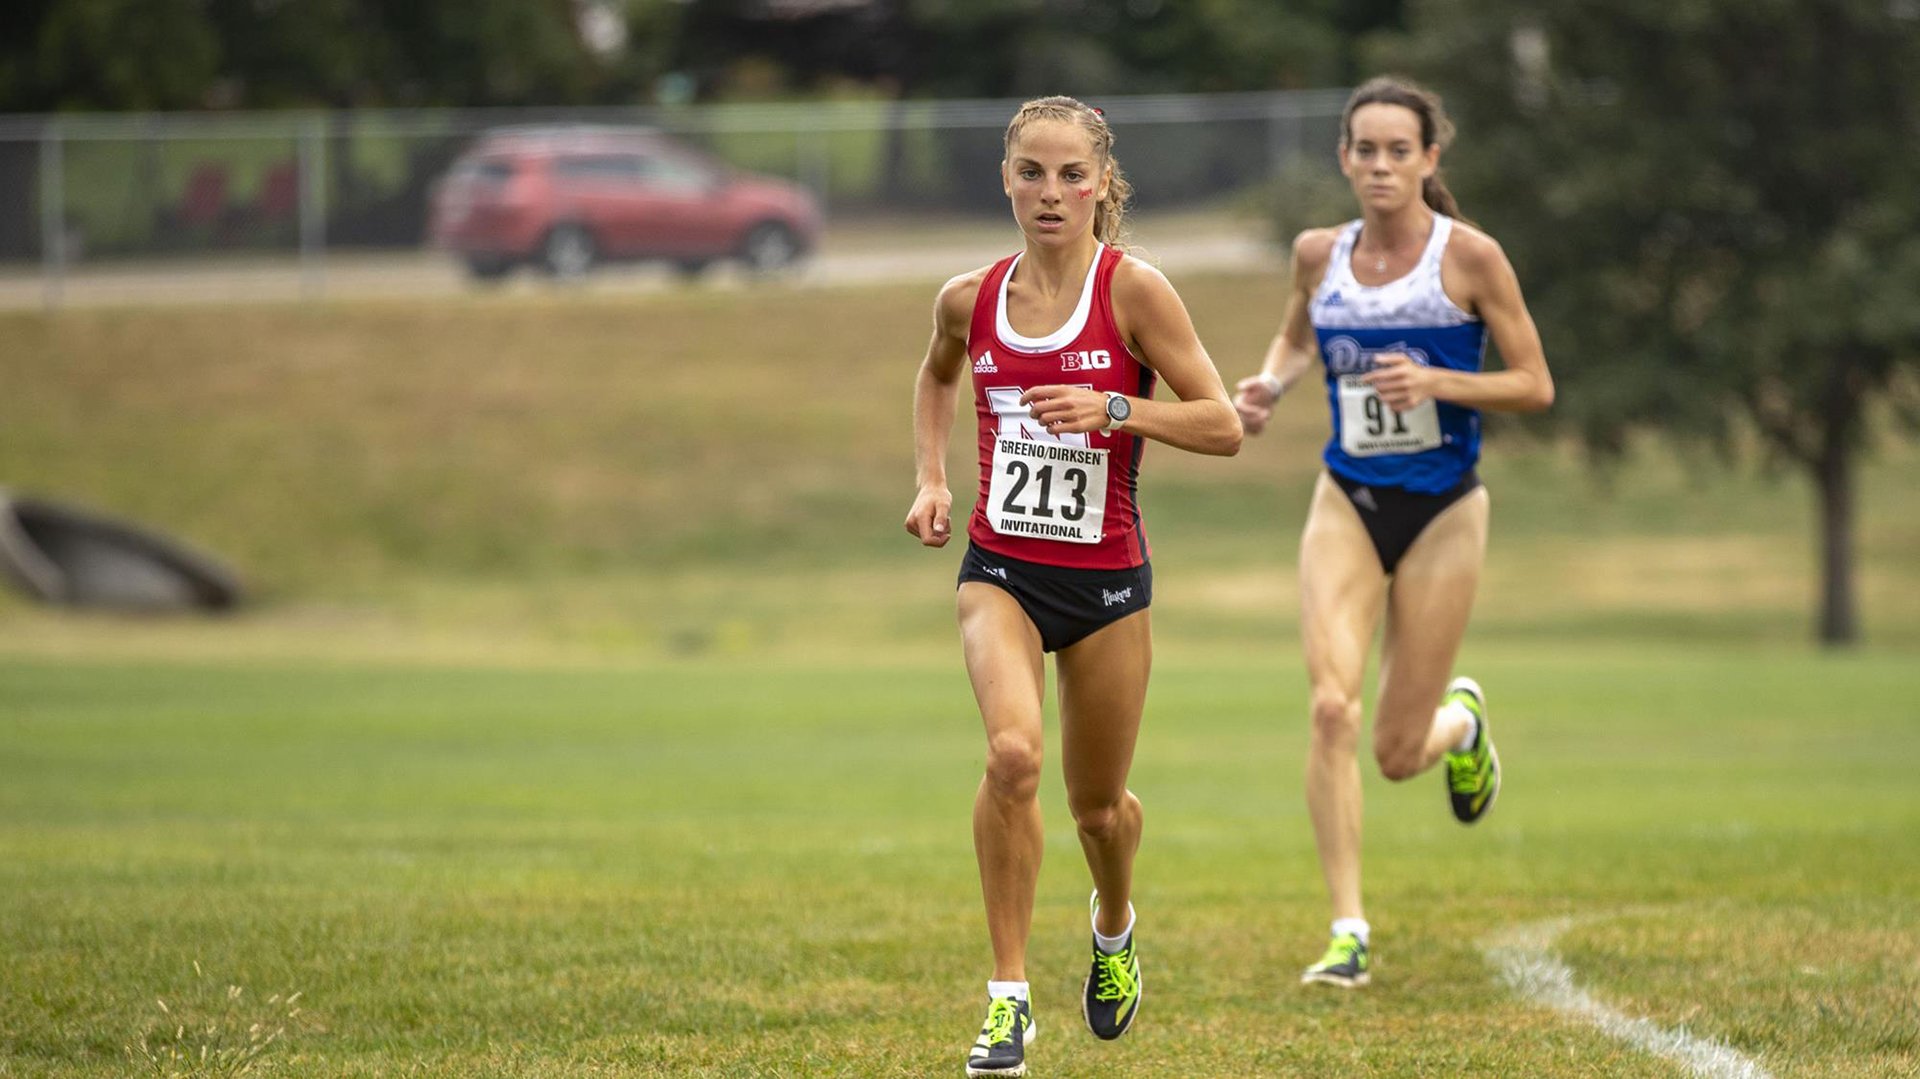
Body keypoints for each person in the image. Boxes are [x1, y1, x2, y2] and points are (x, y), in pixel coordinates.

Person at [904, 96, 1242, 1075]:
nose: (1050, 193)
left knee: (1098, 810)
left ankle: (1113, 923)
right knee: (1012, 756)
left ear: (1100, 185)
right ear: (1006, 181)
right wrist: (932, 477)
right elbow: (936, 375)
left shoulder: (1134, 292)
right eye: (1031, 173)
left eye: (1070, 175)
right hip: (1001, 570)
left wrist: (1116, 408)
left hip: (1105, 586)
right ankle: (1008, 1001)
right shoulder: (968, 298)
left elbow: (1222, 423)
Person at [1232, 76, 1554, 989]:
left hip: (1445, 509)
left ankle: (1463, 724)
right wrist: (1270, 384)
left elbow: (1534, 383)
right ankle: (1348, 929)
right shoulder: (1317, 253)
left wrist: (1437, 382)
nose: (1380, 166)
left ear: (1429, 159)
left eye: (1398, 151)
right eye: (1365, 150)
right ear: (1344, 158)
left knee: (1397, 752)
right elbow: (1298, 338)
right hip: (1348, 498)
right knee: (1331, 709)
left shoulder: (1471, 258)